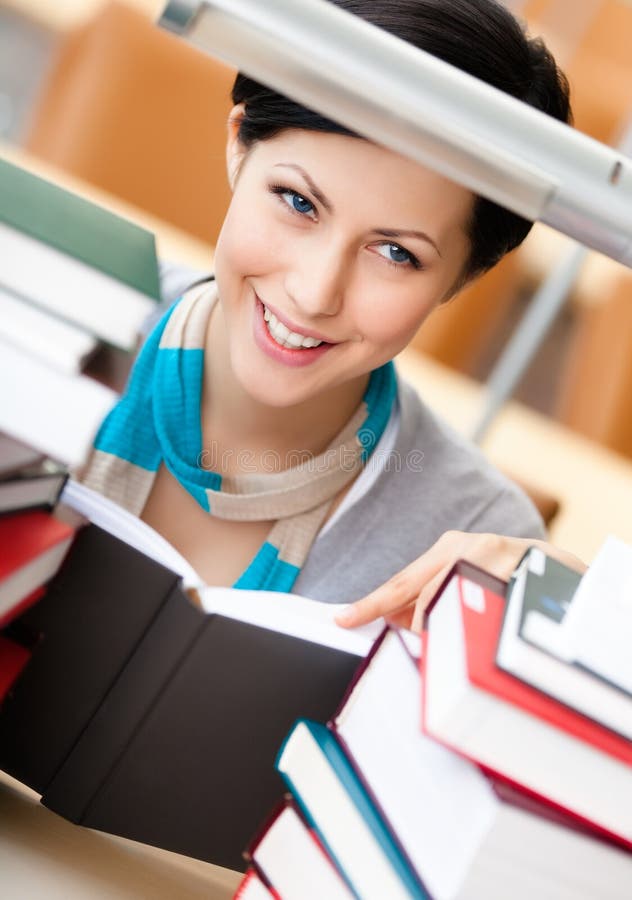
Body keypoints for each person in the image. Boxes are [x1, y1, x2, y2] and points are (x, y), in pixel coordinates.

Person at [80, 0, 572, 606]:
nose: (314, 294)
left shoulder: (479, 537)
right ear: (240, 145)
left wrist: (566, 621)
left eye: (395, 253)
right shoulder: (51, 299)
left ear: (464, 276)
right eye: (297, 202)